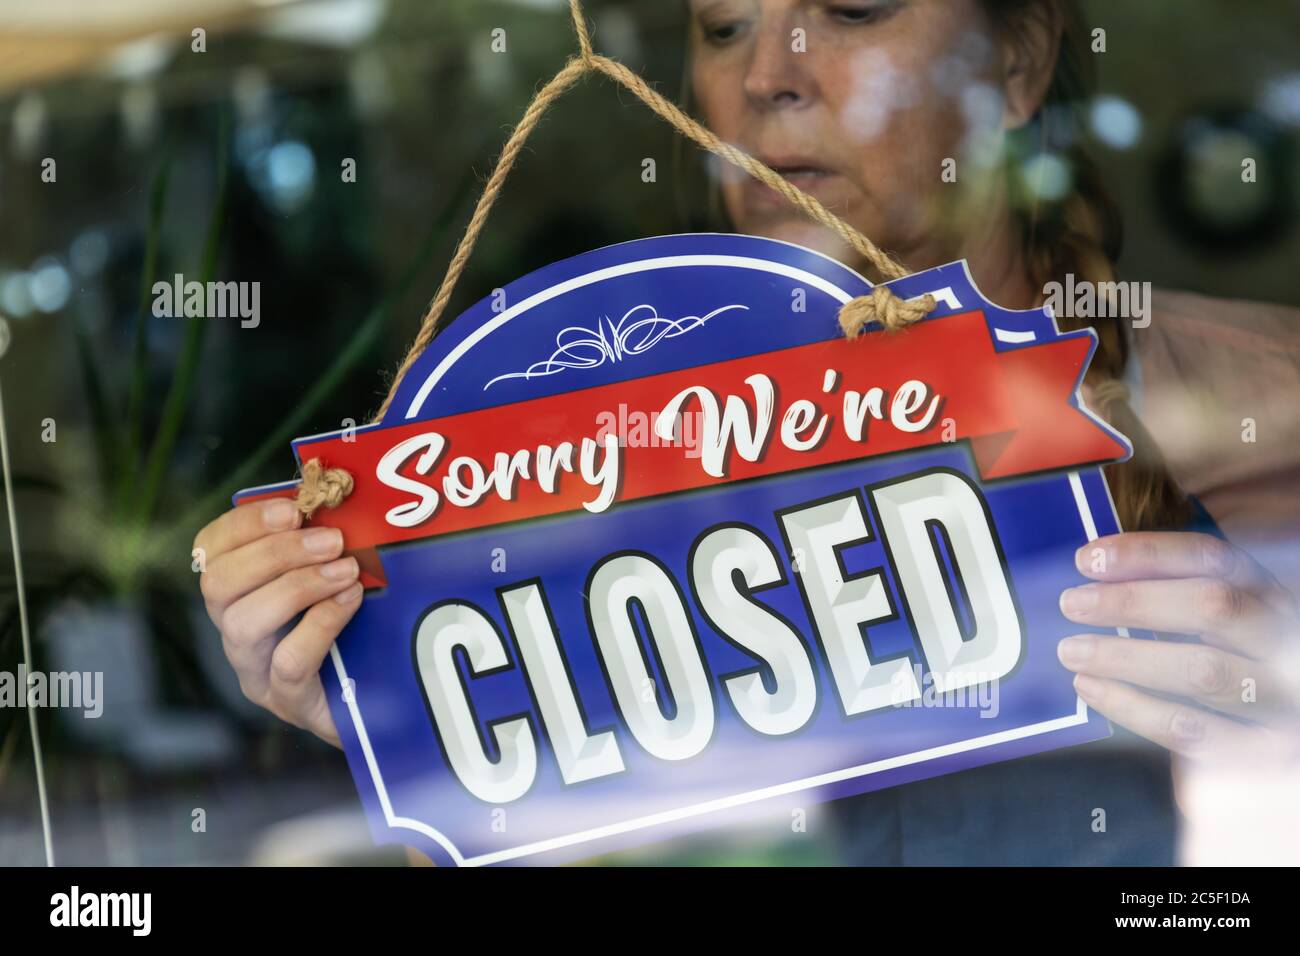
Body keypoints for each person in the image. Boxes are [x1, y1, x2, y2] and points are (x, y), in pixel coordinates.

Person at [193, 0, 1300, 863]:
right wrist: (396, 712)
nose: (766, 75)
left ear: (1015, 65)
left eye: (855, 12)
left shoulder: (1260, 402)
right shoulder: (581, 476)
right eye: (723, 28)